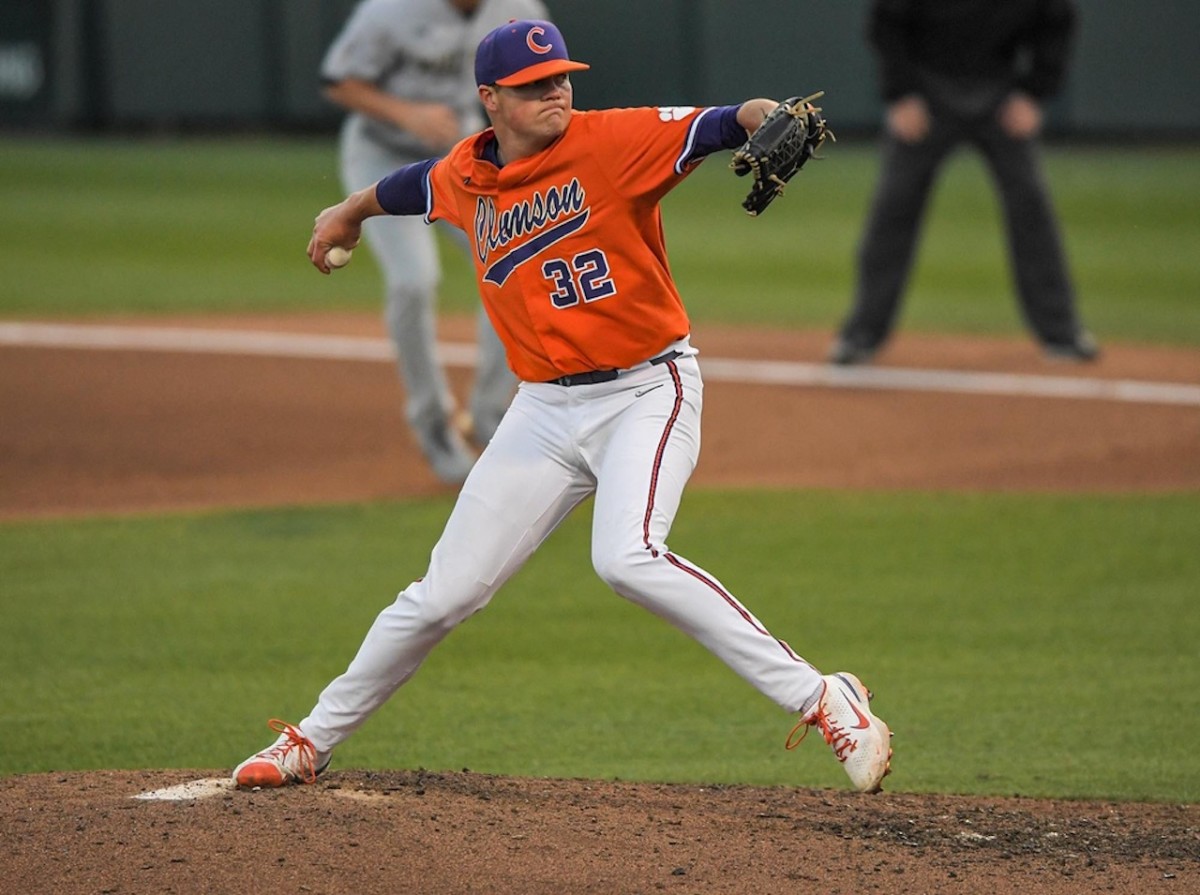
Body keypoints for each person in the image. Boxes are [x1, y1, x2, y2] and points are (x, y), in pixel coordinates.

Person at [234, 20, 893, 793]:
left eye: (561, 78)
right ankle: (310, 739)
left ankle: (825, 698)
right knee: (442, 593)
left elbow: (720, 122)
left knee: (626, 558)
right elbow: (414, 184)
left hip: (646, 390)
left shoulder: (613, 141)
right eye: (534, 85)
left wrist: (763, 115)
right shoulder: (466, 172)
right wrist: (349, 210)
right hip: (543, 411)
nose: (556, 92)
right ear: (490, 99)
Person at [321, 0, 548, 483]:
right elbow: (339, 79)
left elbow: (541, 82)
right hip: (382, 155)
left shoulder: (519, 9)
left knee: (516, 267)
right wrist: (407, 114)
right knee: (414, 282)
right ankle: (433, 427)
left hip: (465, 157)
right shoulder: (390, 11)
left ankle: (491, 414)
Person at [829, 0, 1098, 365]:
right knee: (894, 206)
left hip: (1000, 92)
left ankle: (1061, 333)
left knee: (1030, 204)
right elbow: (886, 22)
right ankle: (862, 334)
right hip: (925, 93)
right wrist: (900, 93)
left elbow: (1057, 20)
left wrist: (1035, 92)